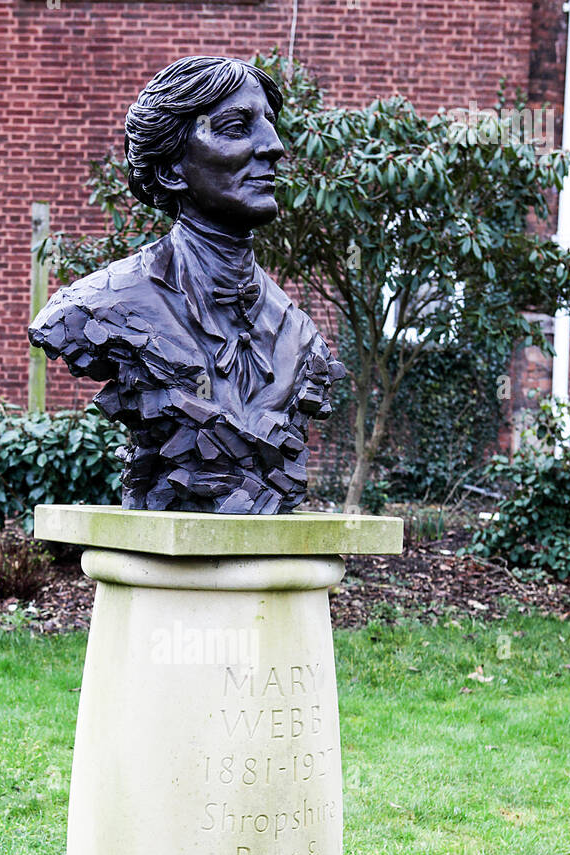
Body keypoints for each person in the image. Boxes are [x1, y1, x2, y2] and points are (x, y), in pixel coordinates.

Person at [29, 55, 345, 513]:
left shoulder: (302, 339)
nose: (273, 146)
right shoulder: (96, 307)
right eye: (236, 127)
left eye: (270, 125)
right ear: (171, 168)